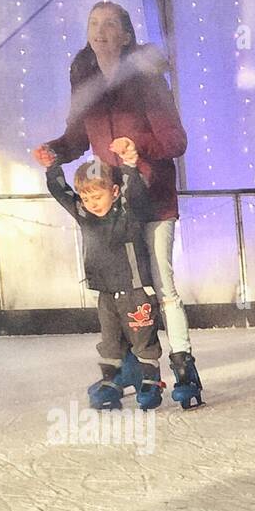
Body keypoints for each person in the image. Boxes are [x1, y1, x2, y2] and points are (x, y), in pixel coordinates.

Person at [32, 1, 200, 408]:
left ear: (126, 35)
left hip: (153, 200)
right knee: (114, 288)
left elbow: (176, 141)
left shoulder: (145, 79)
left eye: (109, 24)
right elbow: (77, 138)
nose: (100, 30)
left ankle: (183, 368)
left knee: (161, 286)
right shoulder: (86, 79)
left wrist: (136, 147)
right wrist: (54, 150)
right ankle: (126, 365)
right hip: (111, 210)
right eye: (93, 23)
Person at [45, 143, 177, 410]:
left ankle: (151, 381)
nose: (92, 204)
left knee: (143, 339)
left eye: (98, 196)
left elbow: (135, 189)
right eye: (87, 198)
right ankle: (111, 381)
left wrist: (129, 162)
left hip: (136, 291)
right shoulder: (84, 215)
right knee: (110, 341)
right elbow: (61, 192)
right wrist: (52, 167)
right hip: (106, 293)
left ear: (114, 192)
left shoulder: (128, 211)